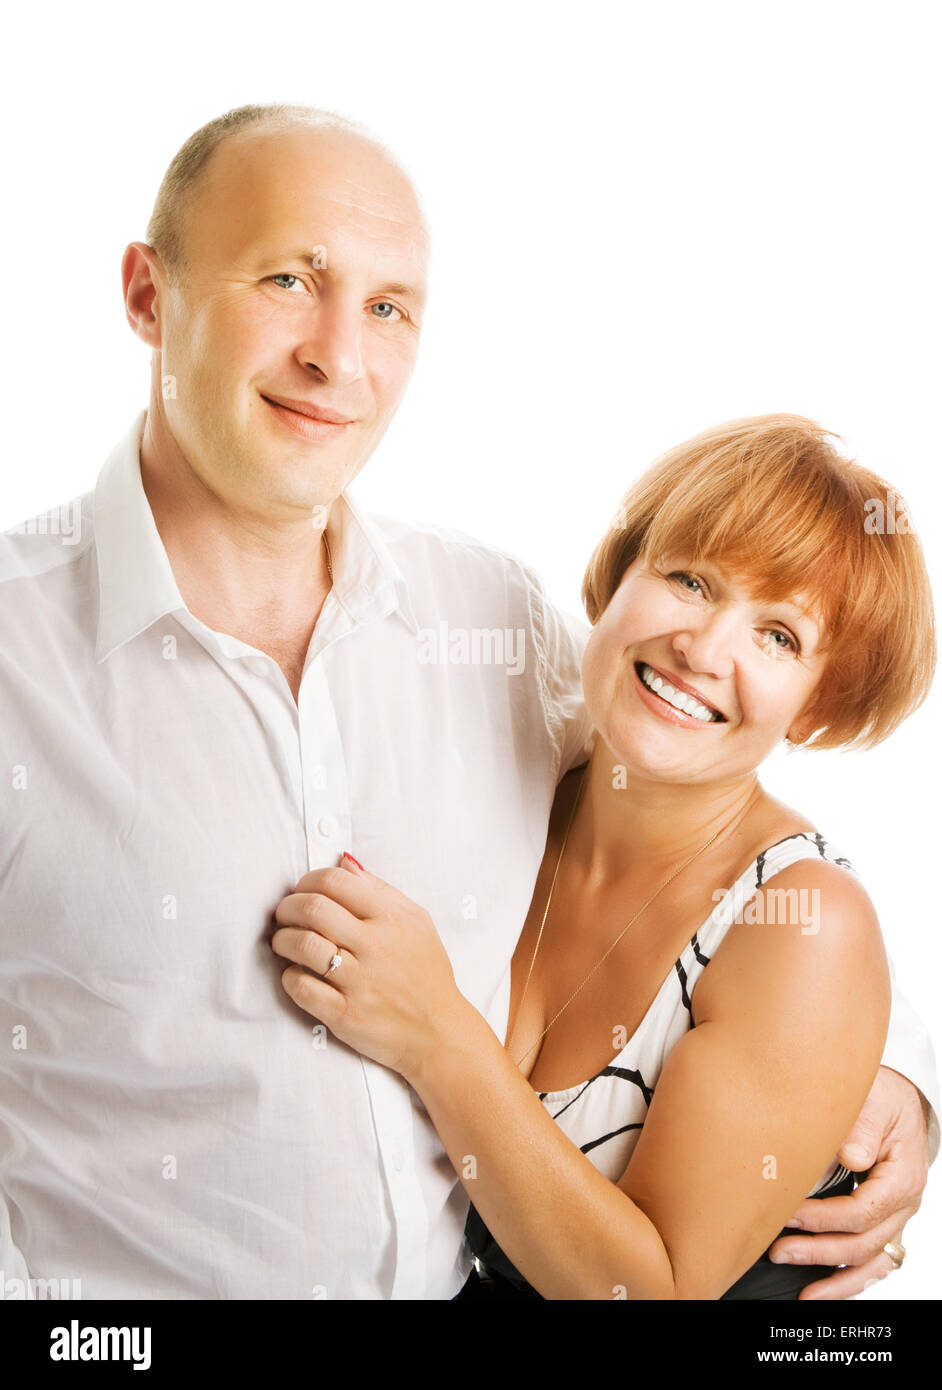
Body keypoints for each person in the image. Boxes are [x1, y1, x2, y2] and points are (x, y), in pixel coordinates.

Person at [0, 103, 935, 1301]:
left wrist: (890, 1072)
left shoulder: (485, 621)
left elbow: (697, 848)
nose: (340, 357)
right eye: (290, 279)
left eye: (388, 308)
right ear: (147, 294)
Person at [272, 414, 937, 1299]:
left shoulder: (800, 921)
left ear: (816, 707)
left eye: (778, 636)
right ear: (616, 579)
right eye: (691, 580)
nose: (703, 651)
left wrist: (438, 1036)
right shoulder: (516, 777)